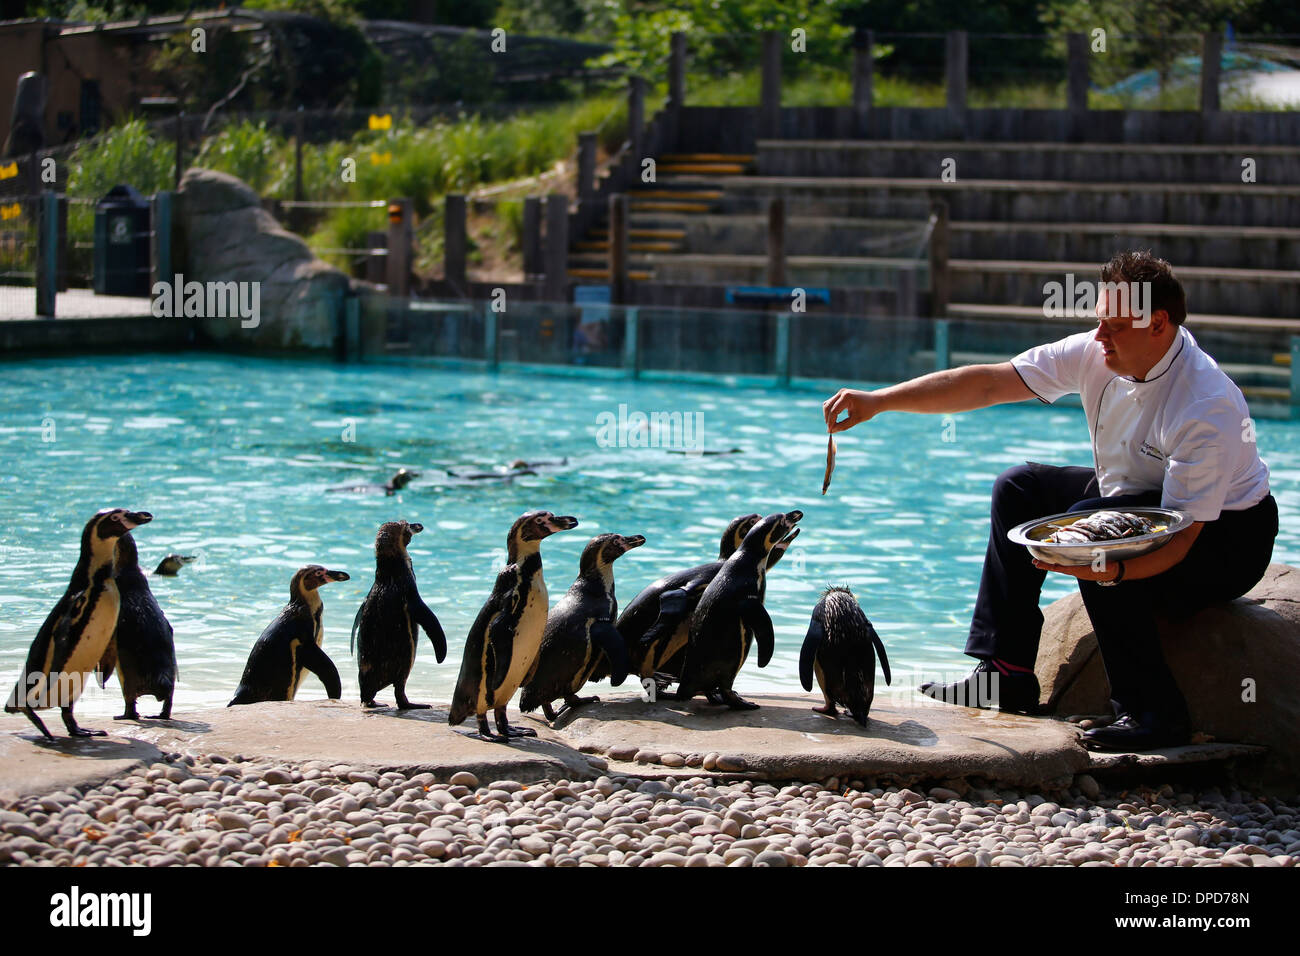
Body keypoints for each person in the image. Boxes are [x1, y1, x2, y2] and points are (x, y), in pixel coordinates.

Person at [822, 251, 1278, 751]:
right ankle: (1007, 672)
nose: (1099, 335)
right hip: (1133, 499)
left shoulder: (1205, 403)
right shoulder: (1096, 353)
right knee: (1019, 487)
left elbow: (1183, 537)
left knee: (1094, 531)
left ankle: (1152, 712)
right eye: (1099, 320)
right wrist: (879, 401)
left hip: (1225, 541)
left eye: (1115, 325)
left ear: (1158, 323)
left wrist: (1111, 571)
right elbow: (990, 382)